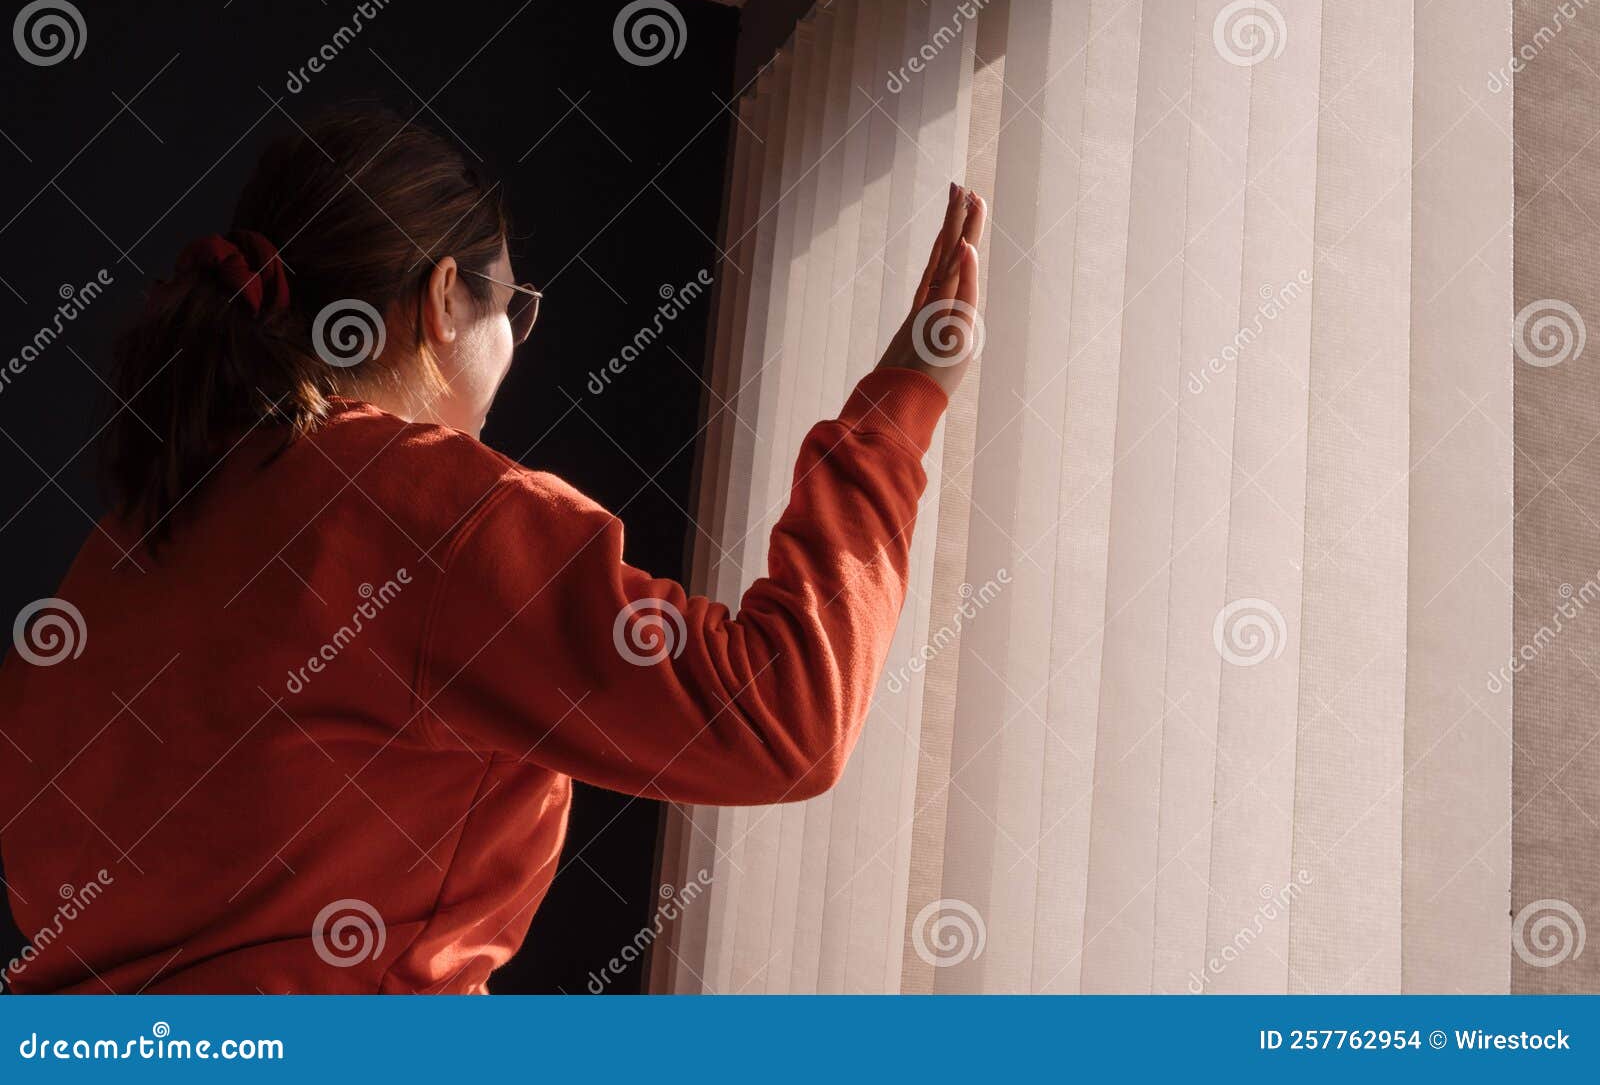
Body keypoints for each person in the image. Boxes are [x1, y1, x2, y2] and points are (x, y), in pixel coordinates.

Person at [0, 106, 986, 993]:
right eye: (512, 309)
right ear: (440, 302)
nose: (516, 344)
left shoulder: (132, 534)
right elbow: (782, 715)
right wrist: (899, 407)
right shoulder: (433, 512)